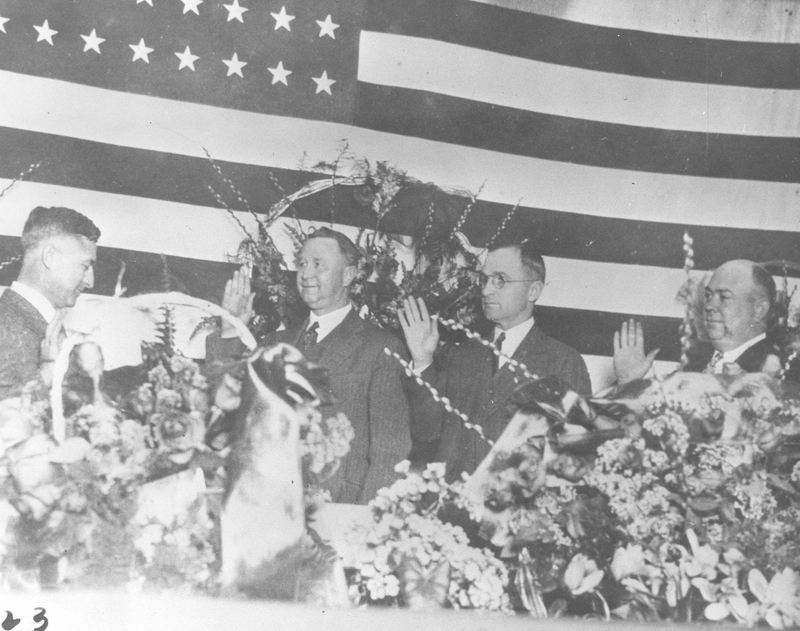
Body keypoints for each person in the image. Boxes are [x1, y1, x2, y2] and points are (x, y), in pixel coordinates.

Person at [208, 227, 412, 504]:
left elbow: (390, 453)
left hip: (340, 506)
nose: (306, 273)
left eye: (319, 265)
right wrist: (231, 330)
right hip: (271, 503)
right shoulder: (273, 342)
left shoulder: (380, 348)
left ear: (349, 275)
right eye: (302, 263)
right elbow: (225, 410)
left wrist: (368, 520)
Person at [399, 241, 592, 480]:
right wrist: (422, 359)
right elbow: (426, 433)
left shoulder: (563, 363)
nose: (486, 290)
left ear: (534, 290)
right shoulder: (459, 355)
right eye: (485, 279)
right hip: (449, 507)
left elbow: (575, 456)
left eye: (500, 280)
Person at [613, 259, 780, 383]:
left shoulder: (783, 369)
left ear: (759, 310)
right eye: (708, 296)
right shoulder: (694, 364)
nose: (708, 306)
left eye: (724, 297)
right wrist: (628, 383)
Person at [0, 206, 100, 400]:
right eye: (85, 266)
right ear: (50, 257)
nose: (90, 281)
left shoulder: (38, 320)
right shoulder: (4, 325)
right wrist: (46, 375)